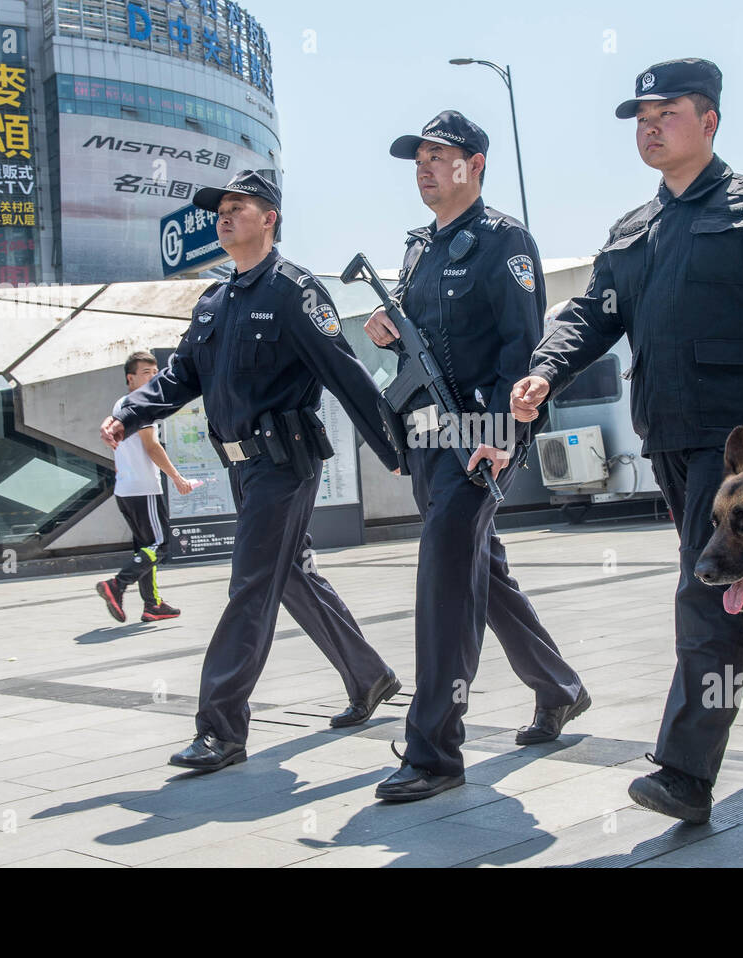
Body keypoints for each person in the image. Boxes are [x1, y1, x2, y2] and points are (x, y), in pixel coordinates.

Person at [511, 59, 743, 824]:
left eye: (667, 113)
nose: (650, 127)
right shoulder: (634, 230)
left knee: (705, 594)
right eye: (642, 117)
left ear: (710, 122)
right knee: (737, 590)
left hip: (740, 447)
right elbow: (590, 315)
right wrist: (544, 371)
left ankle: (685, 773)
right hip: (666, 437)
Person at [100, 170, 403, 773]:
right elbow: (181, 373)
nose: (225, 215)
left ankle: (221, 727)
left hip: (285, 465)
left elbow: (346, 374)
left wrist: (400, 452)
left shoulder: (294, 291)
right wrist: (132, 412)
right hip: (240, 466)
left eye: (239, 206)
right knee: (287, 575)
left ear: (270, 218)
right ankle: (369, 676)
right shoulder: (215, 301)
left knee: (251, 585)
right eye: (221, 208)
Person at [363, 111, 589, 802]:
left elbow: (519, 349)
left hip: (480, 439)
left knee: (443, 577)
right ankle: (559, 687)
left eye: (440, 156)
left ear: (476, 163)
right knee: (480, 571)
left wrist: (500, 435)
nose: (426, 168)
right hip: (428, 439)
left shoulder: (504, 242)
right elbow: (421, 342)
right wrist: (387, 333)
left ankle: (434, 750)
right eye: (419, 159)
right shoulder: (418, 249)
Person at [95, 350, 192, 623]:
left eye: (155, 371)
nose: (153, 376)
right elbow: (151, 446)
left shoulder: (120, 405)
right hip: (144, 489)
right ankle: (116, 585)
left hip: (126, 489)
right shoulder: (143, 405)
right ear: (130, 378)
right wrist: (176, 477)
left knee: (145, 549)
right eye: (145, 373)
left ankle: (152, 605)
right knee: (160, 546)